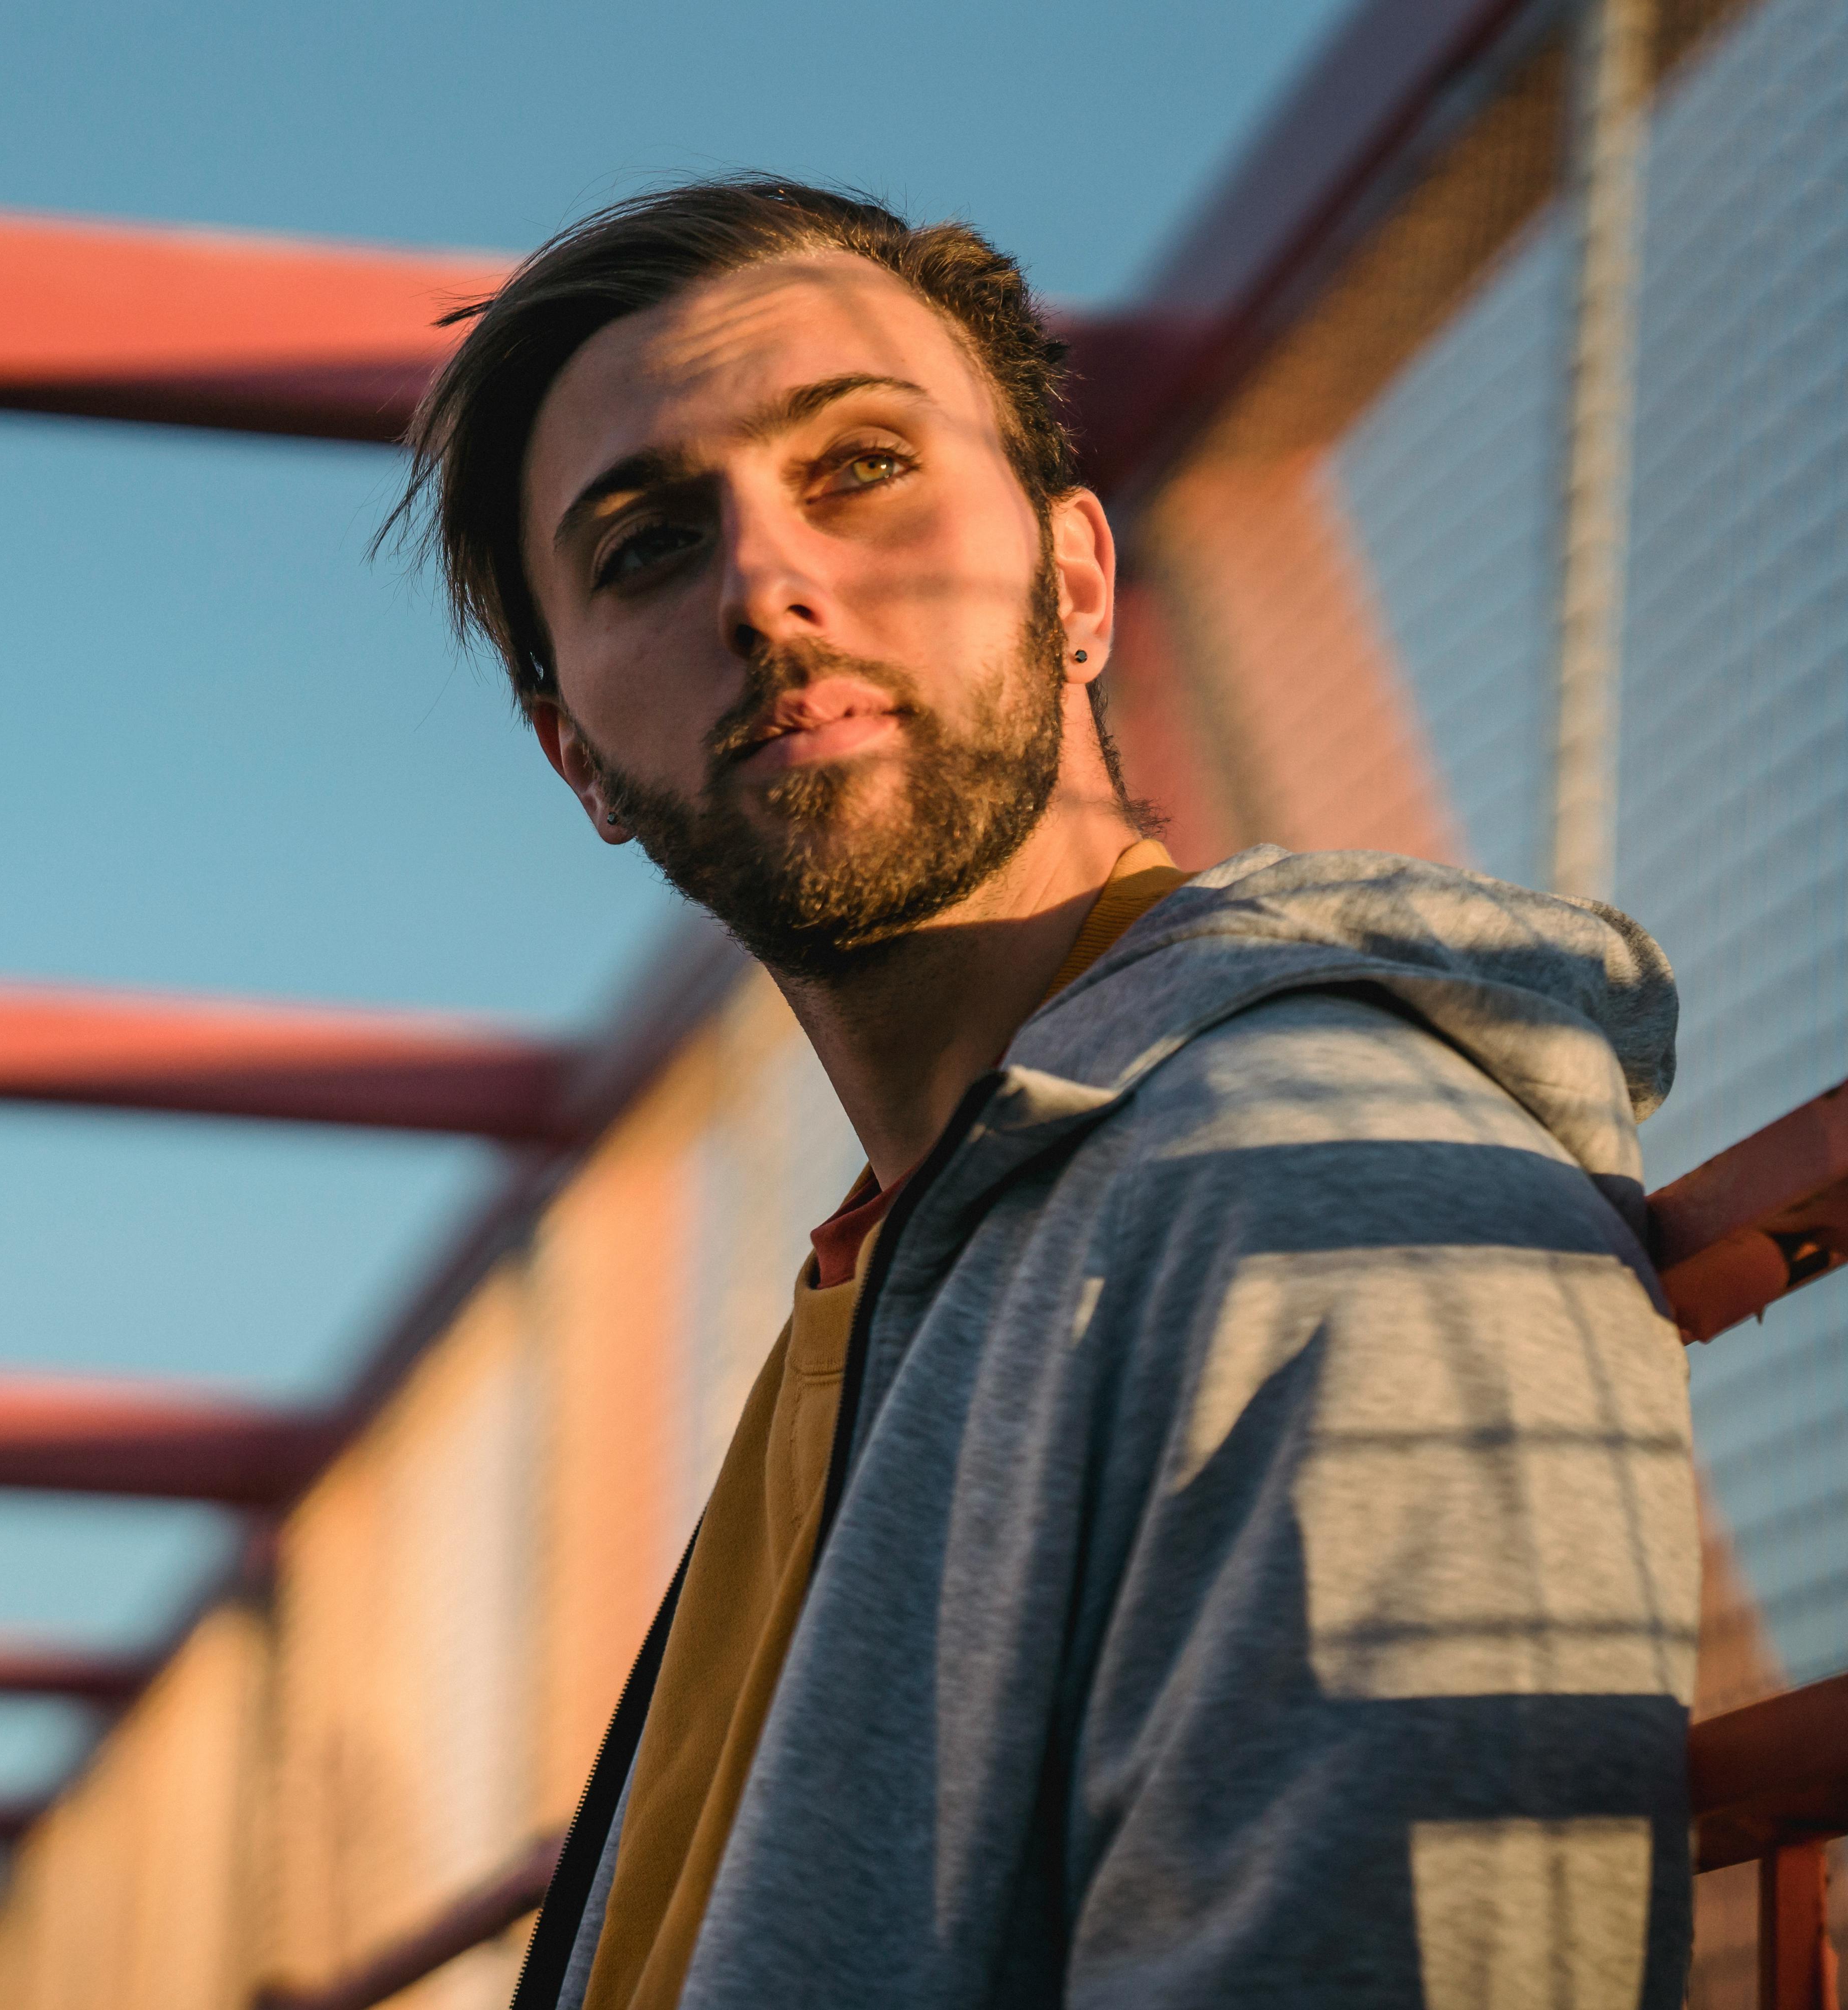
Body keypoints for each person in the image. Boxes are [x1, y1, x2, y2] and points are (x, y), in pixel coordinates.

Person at [395, 178, 1698, 2008]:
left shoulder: (1316, 1191)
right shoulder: (897, 1277)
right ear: (579, 761)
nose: (768, 584)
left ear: (1076, 584)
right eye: (643, 549)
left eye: (859, 468)